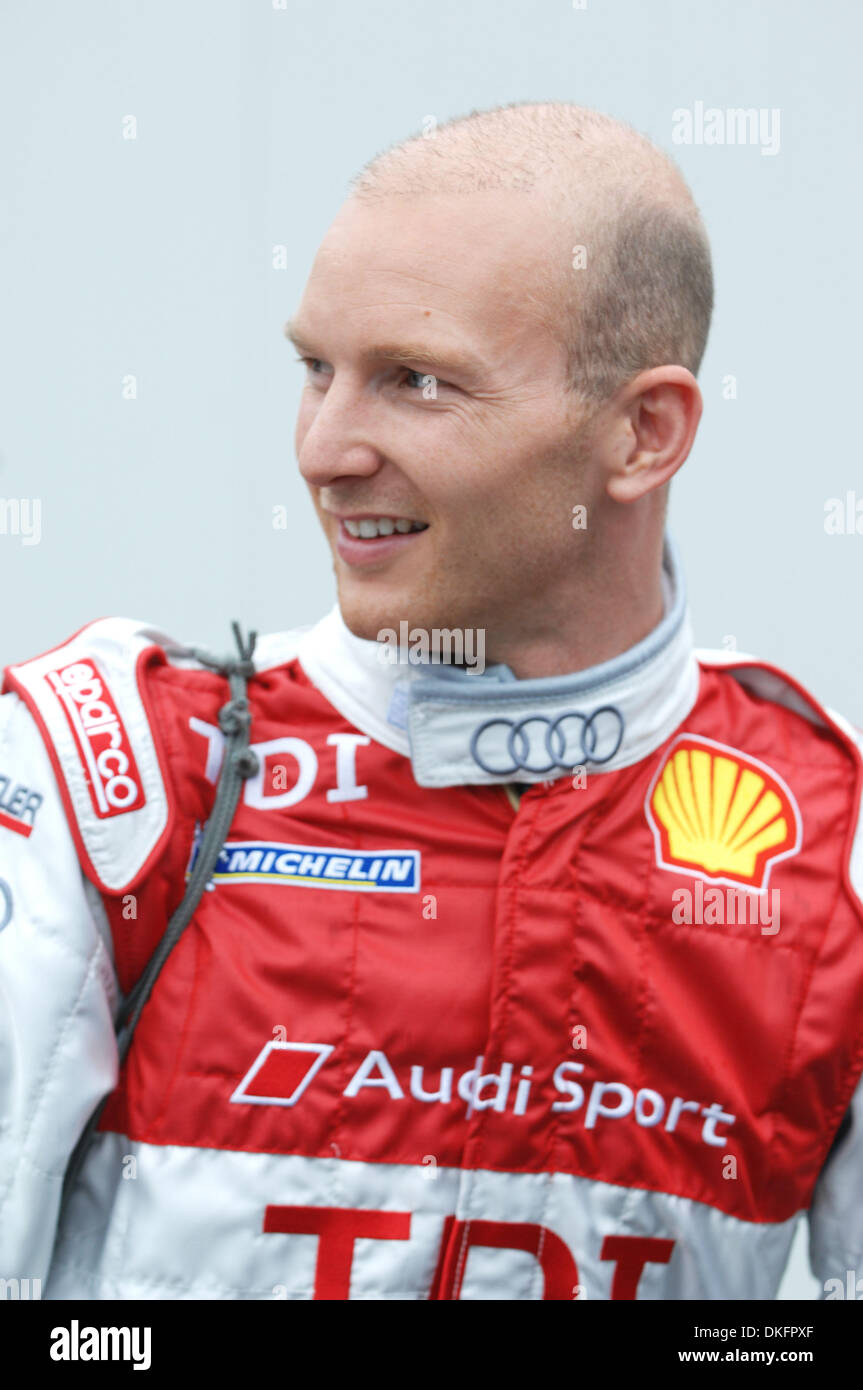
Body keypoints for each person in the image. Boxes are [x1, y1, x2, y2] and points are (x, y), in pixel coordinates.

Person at [1, 101, 862, 1302]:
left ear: (643, 435)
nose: (322, 449)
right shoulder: (111, 773)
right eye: (316, 369)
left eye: (416, 382)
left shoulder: (829, 844)